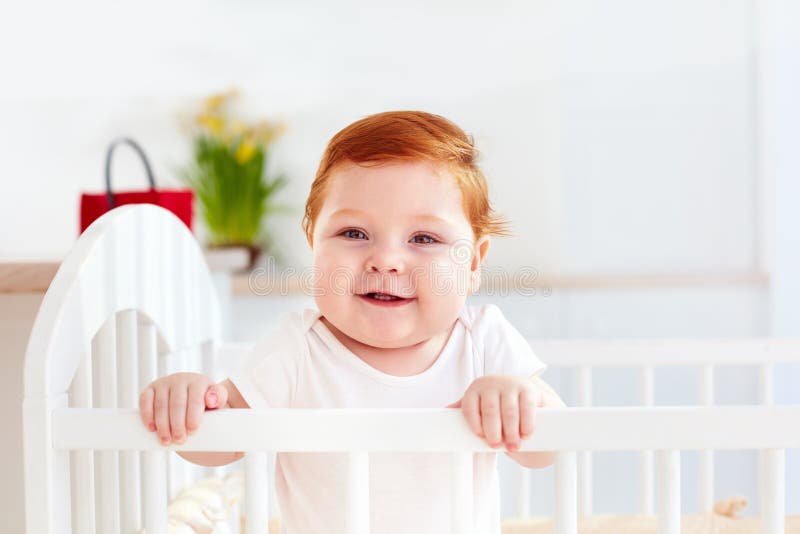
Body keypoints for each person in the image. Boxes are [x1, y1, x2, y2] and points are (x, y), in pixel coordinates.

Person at [139, 110, 567, 533]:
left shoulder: (483, 340)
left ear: (473, 262)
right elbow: (223, 443)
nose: (385, 260)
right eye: (354, 234)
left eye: (423, 239)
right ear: (313, 244)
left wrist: (521, 399)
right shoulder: (299, 348)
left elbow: (548, 449)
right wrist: (191, 405)